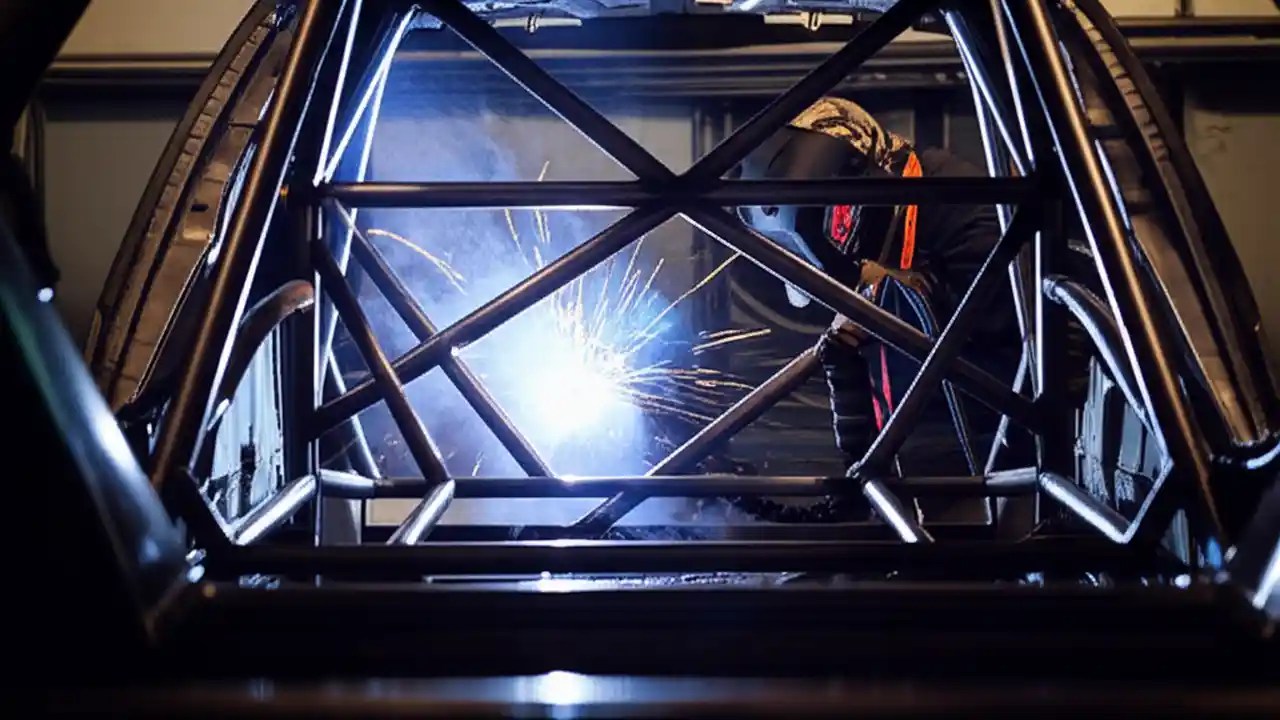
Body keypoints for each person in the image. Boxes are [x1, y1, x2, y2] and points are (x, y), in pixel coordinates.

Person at [734, 96, 1024, 522]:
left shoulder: (969, 215)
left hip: (1001, 481)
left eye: (838, 229)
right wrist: (846, 358)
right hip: (933, 493)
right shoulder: (887, 251)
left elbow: (1013, 355)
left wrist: (897, 302)